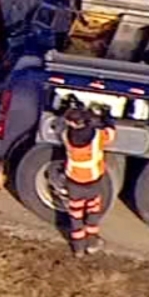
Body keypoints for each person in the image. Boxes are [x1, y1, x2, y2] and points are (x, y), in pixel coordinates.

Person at [61, 101, 116, 256]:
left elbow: (72, 128)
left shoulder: (66, 136)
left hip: (74, 183)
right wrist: (106, 117)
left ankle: (78, 248)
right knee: (93, 212)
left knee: (76, 215)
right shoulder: (98, 136)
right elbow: (111, 133)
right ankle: (92, 243)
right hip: (93, 182)